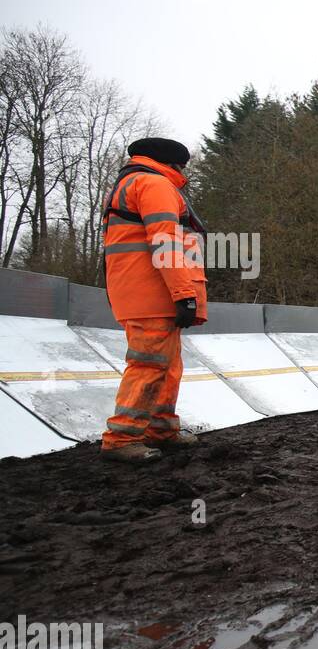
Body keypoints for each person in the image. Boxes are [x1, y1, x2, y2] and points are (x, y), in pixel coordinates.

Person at [100, 138, 207, 463]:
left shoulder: (132, 182)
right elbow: (165, 241)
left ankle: (160, 429)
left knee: (167, 365)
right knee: (148, 365)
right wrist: (184, 293)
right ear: (173, 164)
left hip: (143, 291)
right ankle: (121, 438)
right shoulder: (154, 184)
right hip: (152, 292)